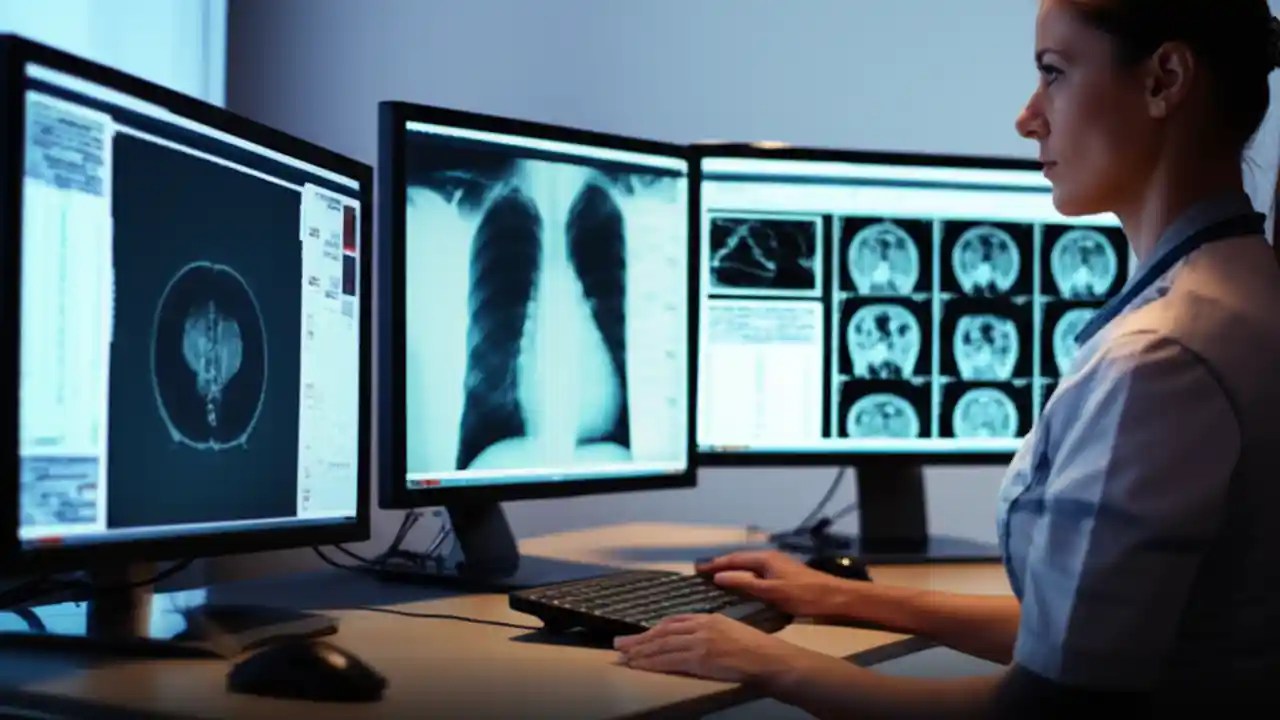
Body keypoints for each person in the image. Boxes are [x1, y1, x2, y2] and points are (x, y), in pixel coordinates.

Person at [614, 0, 1280, 715]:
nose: (1028, 118)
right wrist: (839, 597)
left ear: (1164, 80)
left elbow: (1046, 709)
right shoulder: (1245, 291)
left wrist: (773, 665)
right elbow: (1095, 639)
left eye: (1053, 74)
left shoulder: (1161, 358)